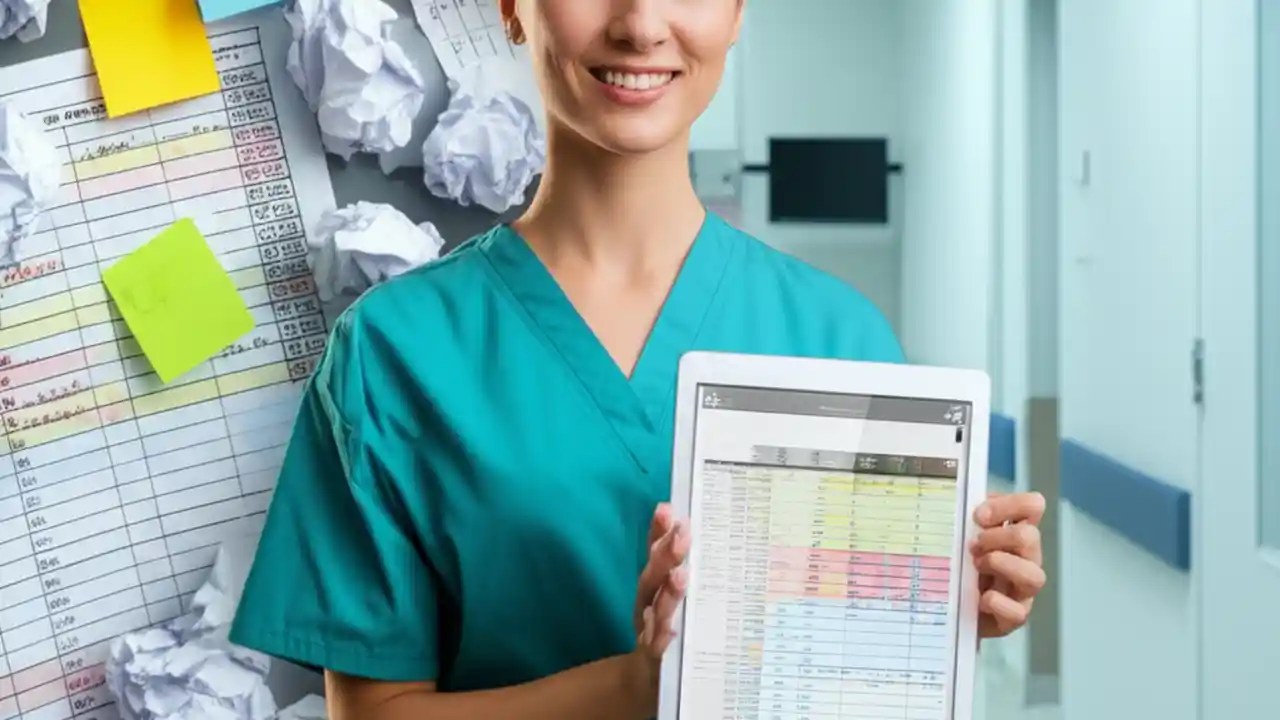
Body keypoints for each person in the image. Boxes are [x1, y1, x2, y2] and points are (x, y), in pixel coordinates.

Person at [228, 0, 1049, 717]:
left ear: (737, 10)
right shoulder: (393, 354)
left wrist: (941, 619)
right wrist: (637, 690)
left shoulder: (844, 341)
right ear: (515, 5)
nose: (639, 24)